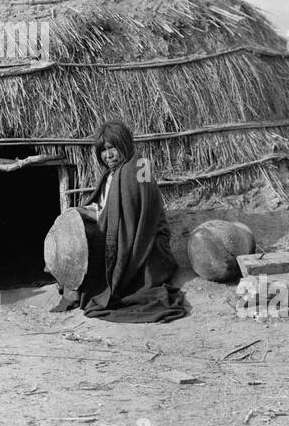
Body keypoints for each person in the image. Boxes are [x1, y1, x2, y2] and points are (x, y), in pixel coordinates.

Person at [50, 120, 189, 323]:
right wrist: (84, 211)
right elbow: (109, 208)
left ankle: (80, 291)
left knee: (89, 246)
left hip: (145, 241)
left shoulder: (138, 168)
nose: (109, 155)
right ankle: (73, 288)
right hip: (126, 231)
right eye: (104, 151)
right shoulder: (114, 173)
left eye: (112, 148)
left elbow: (135, 214)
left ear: (124, 144)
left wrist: (94, 216)